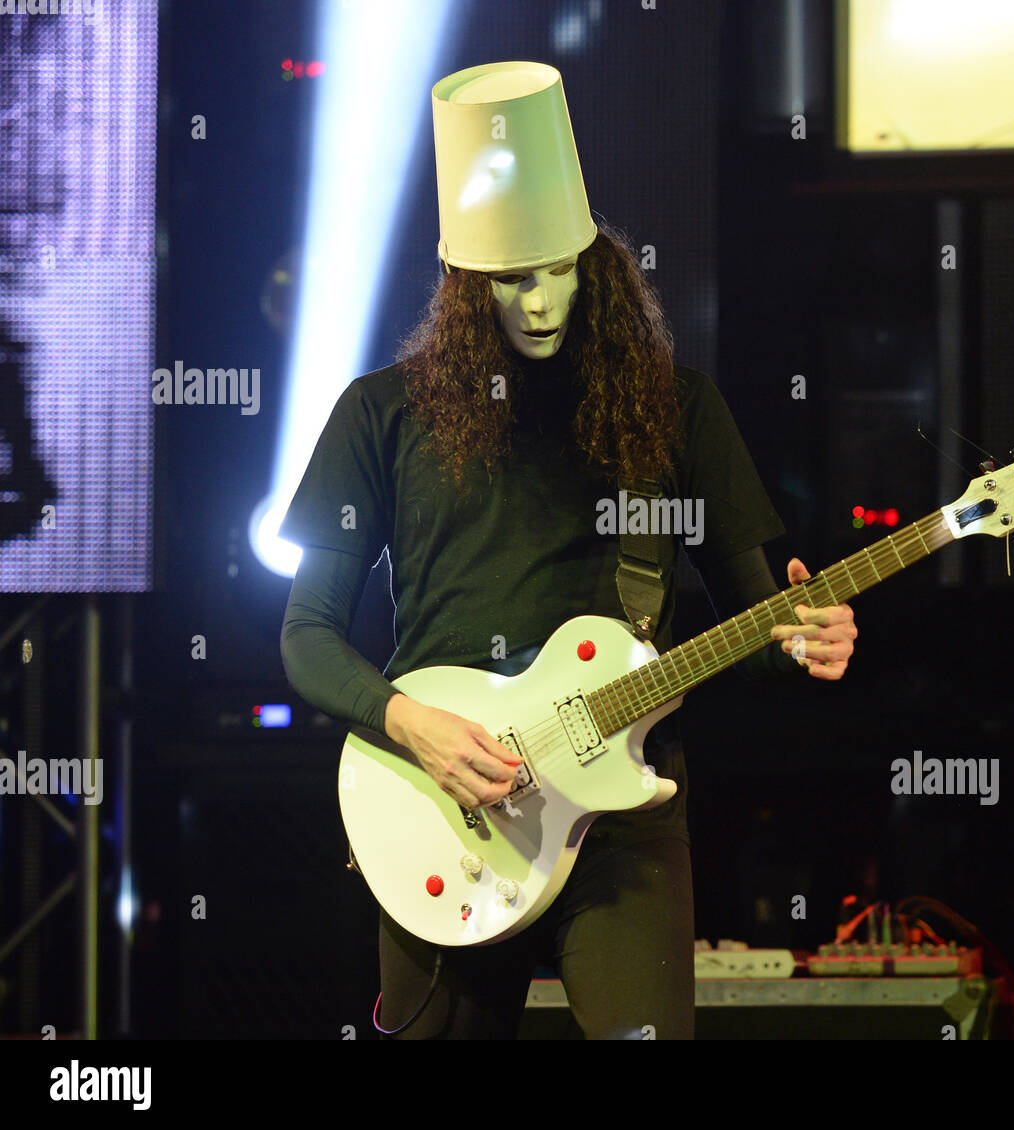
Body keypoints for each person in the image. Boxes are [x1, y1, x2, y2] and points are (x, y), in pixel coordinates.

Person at [278, 61, 856, 1040]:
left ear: (598, 259)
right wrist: (411, 722)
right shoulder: (378, 415)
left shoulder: (678, 410)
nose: (539, 300)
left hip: (623, 817)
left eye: (557, 268)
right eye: (509, 278)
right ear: (466, 283)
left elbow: (759, 623)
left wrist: (807, 638)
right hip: (442, 799)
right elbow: (306, 636)